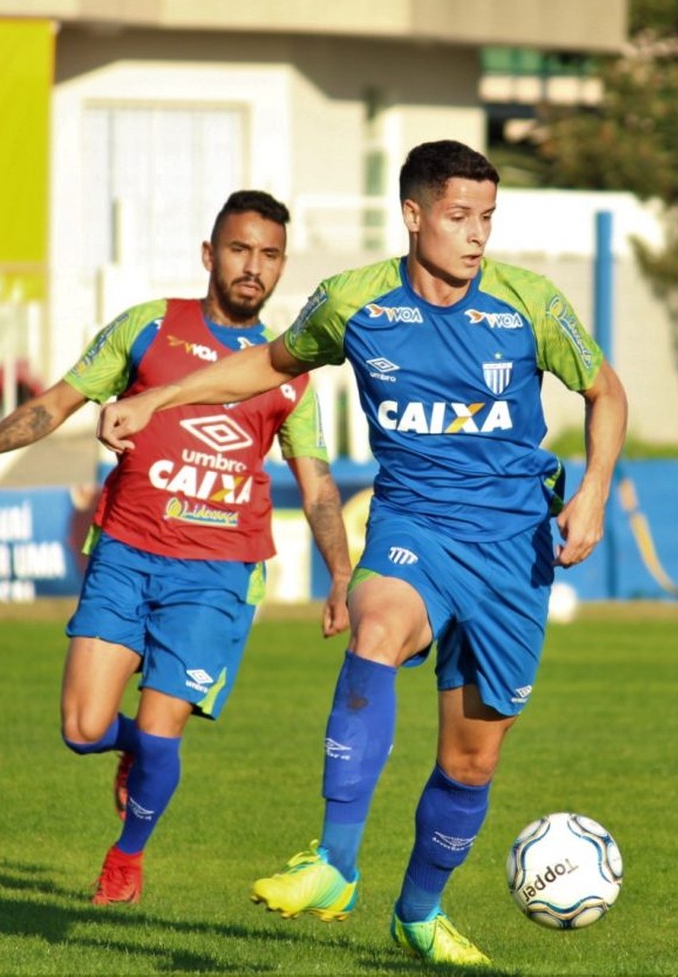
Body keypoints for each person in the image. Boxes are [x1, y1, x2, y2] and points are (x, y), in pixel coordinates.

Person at [97, 141, 628, 966]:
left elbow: (605, 390)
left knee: (472, 758)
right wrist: (161, 396)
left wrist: (592, 487)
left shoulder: (529, 302)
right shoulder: (356, 301)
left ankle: (417, 913)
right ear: (414, 215)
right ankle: (336, 861)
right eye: (459, 217)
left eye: (487, 218)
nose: (477, 236)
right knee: (374, 626)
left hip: (513, 548)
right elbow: (267, 364)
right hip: (414, 525)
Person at [0, 190, 352, 907]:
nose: (253, 267)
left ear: (281, 266)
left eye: (269, 255)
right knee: (83, 728)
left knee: (162, 726)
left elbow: (320, 484)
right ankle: (130, 752)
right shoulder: (150, 327)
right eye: (240, 249)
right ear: (209, 255)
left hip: (216, 573)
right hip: (125, 550)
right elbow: (57, 400)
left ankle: (127, 856)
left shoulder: (287, 369)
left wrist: (339, 574)